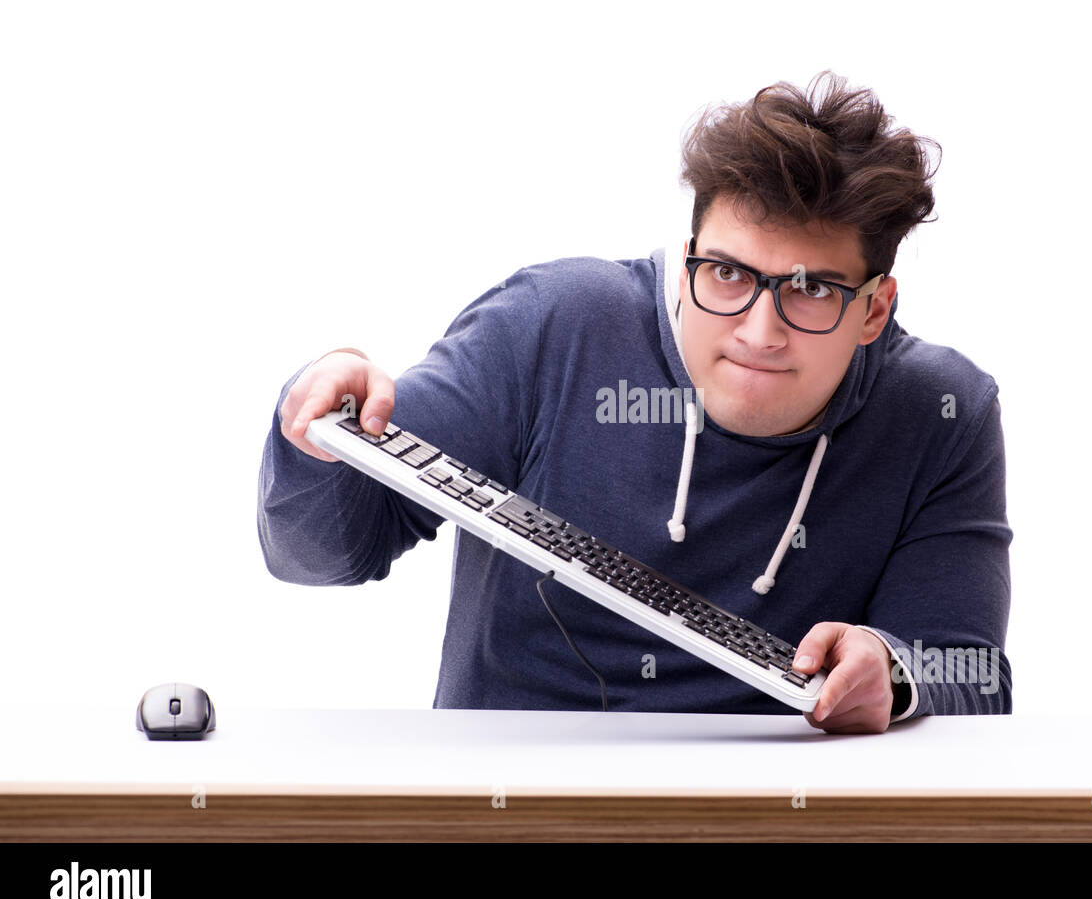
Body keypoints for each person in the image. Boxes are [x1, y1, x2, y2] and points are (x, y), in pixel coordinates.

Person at [258, 71, 1013, 734]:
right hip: (512, 813)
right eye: (726, 274)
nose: (760, 330)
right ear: (687, 264)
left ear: (875, 310)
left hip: (778, 819)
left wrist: (897, 671)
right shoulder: (555, 327)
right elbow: (323, 553)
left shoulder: (943, 411)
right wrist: (321, 428)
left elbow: (975, 673)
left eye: (812, 290)